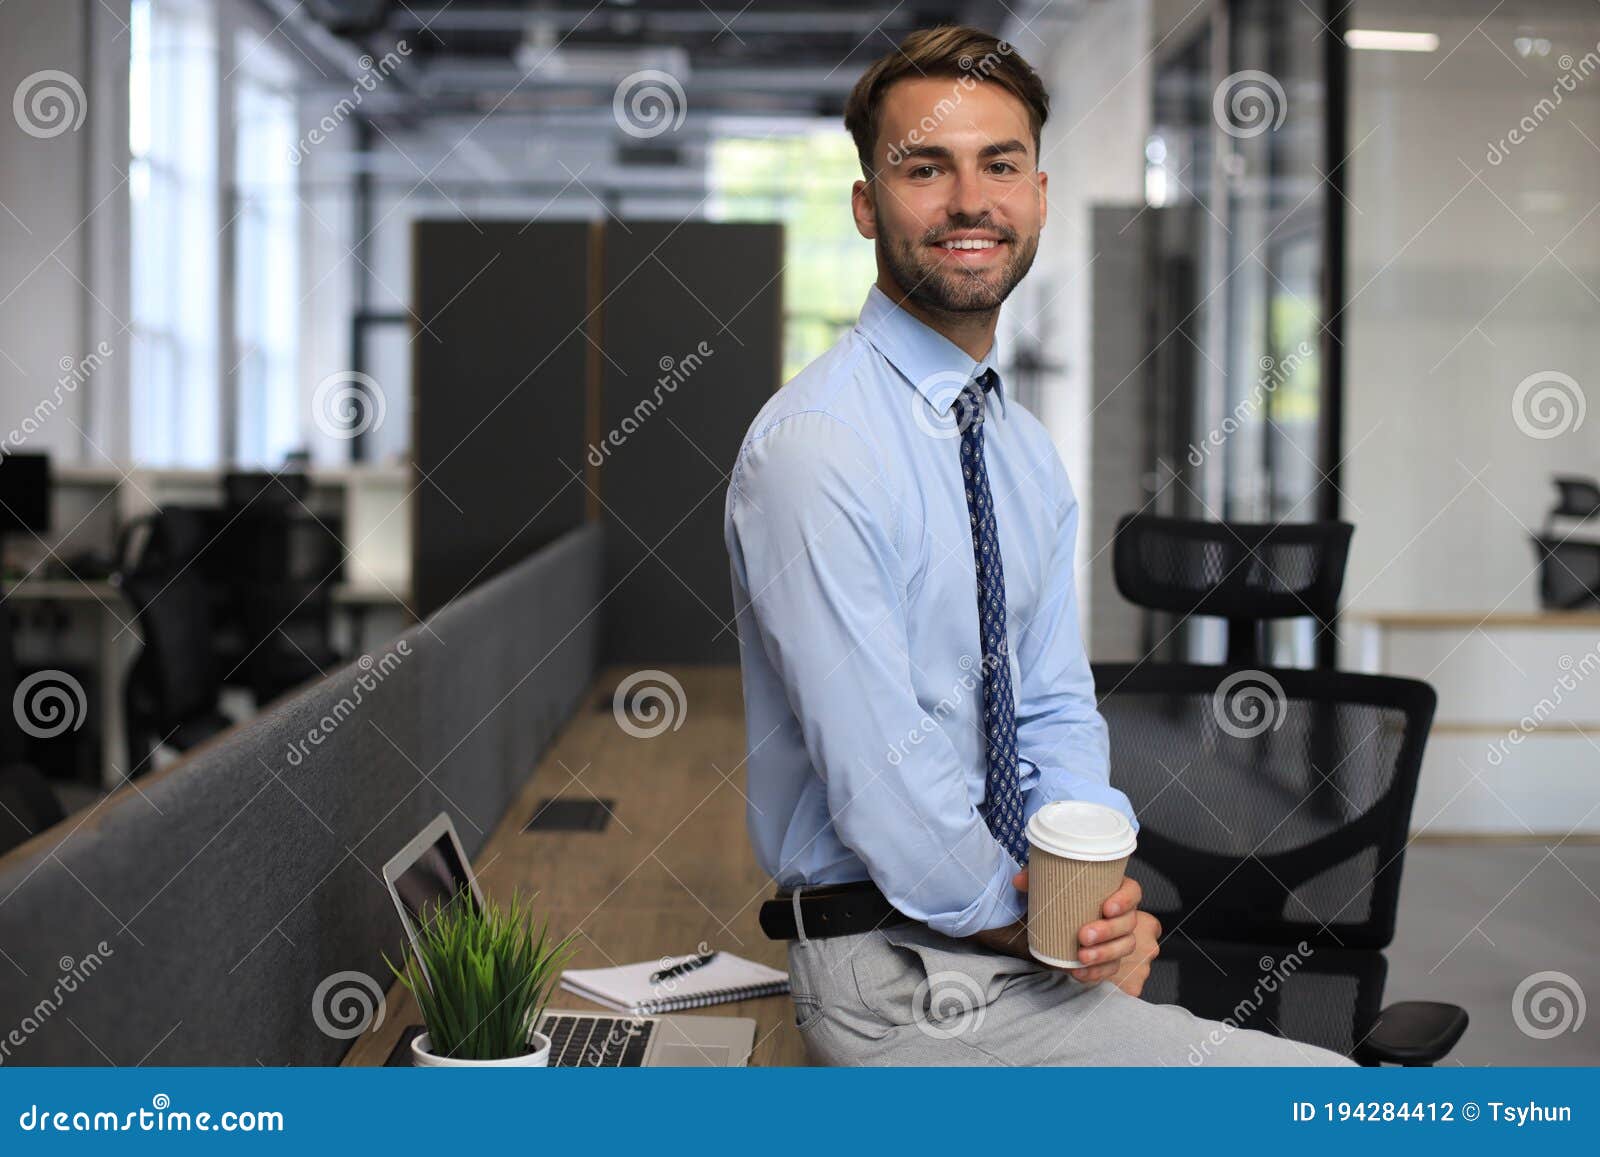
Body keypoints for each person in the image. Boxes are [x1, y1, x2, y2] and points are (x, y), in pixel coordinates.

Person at [722, 25, 1355, 1067]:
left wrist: (1094, 897)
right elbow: (883, 771)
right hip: (898, 975)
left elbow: (1051, 705)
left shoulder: (1016, 449)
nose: (970, 199)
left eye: (999, 164)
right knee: (1339, 1101)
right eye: (926, 167)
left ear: (1039, 195)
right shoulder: (814, 451)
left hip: (1002, 946)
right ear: (867, 205)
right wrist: (1037, 929)